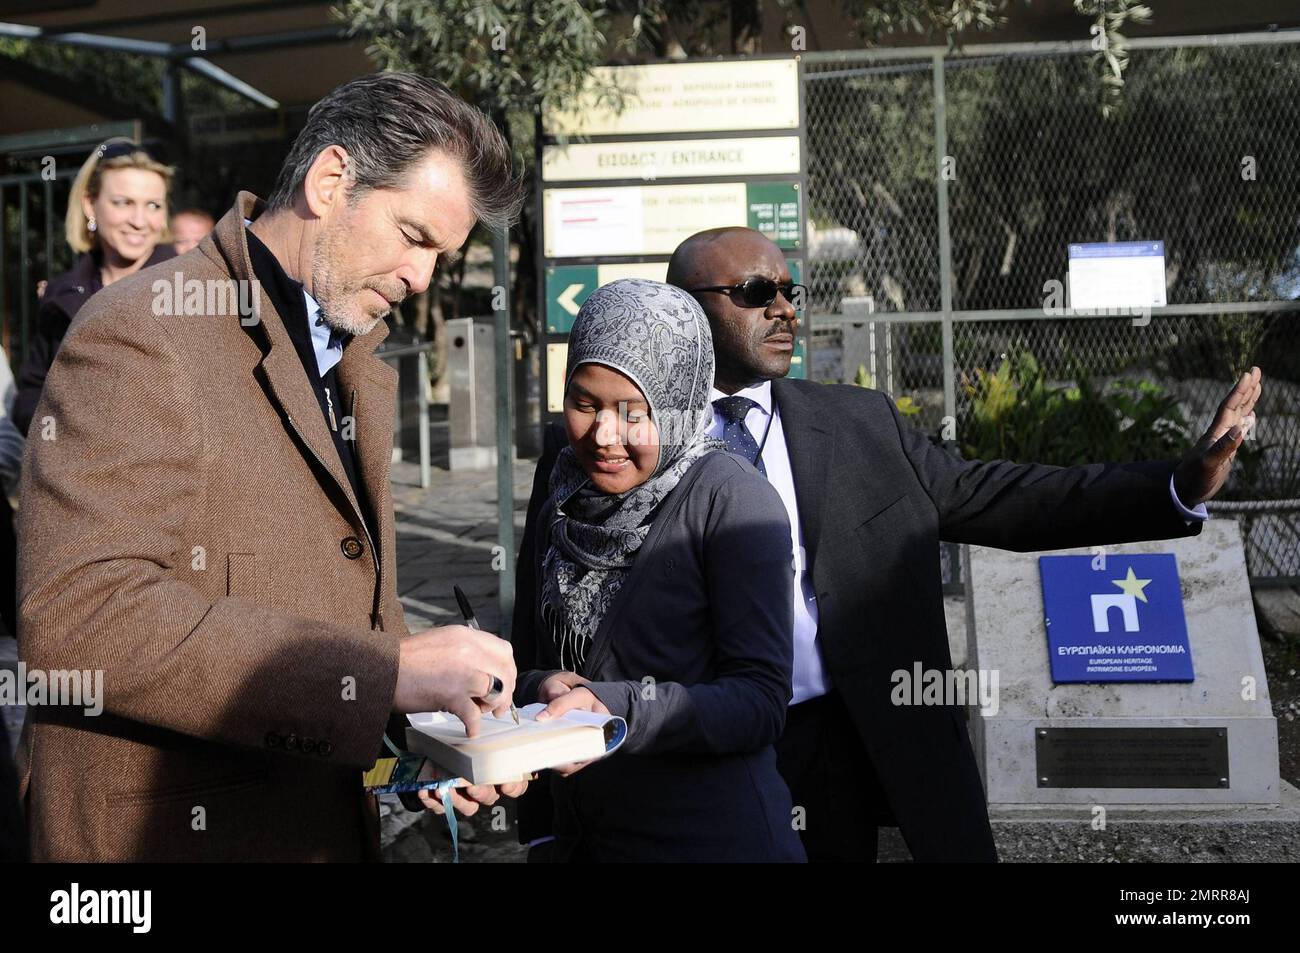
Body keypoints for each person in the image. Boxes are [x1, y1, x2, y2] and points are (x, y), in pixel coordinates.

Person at [17, 72, 527, 861]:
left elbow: (331, 599)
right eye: (415, 237)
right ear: (330, 182)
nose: (422, 277)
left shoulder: (352, 354)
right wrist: (387, 670)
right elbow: (83, 615)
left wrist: (419, 738)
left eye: (441, 254)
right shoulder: (141, 333)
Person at [656, 226, 1262, 862]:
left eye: (788, 291)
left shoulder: (858, 421)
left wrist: (1177, 483)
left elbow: (1003, 495)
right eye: (757, 292)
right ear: (686, 309)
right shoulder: (626, 436)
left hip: (840, 738)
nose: (784, 309)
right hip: (696, 742)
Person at [510, 278, 805, 863]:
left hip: (712, 841)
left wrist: (618, 709)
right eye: (584, 403)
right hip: (587, 840)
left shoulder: (732, 502)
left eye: (635, 413)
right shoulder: (565, 494)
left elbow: (760, 700)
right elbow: (530, 652)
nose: (604, 436)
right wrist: (540, 687)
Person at [12, 138, 177, 437]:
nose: (140, 221)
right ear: (90, 204)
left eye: (153, 205)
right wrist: (67, 431)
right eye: (123, 202)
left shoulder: (187, 291)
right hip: (71, 474)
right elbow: (30, 395)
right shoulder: (61, 296)